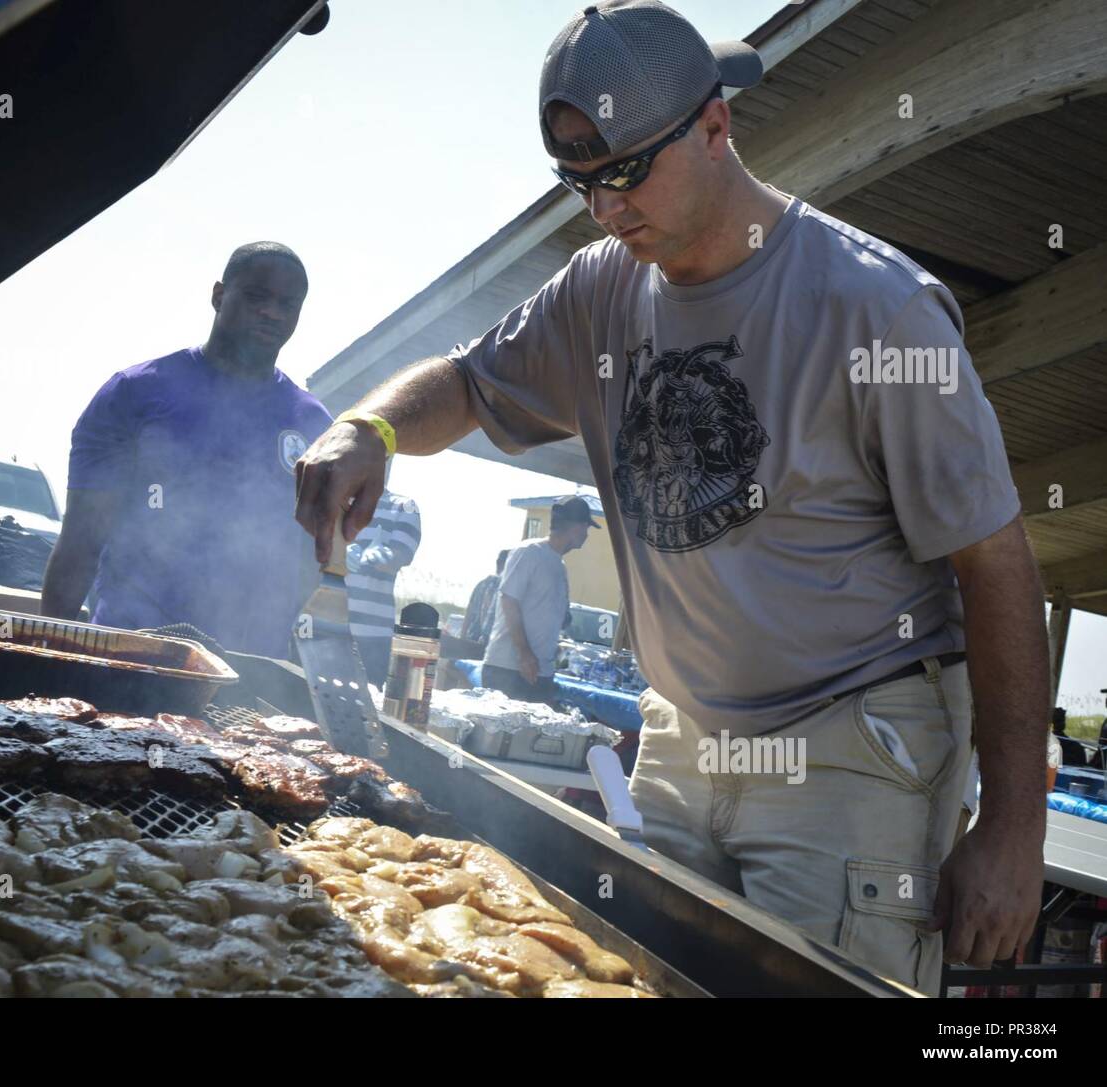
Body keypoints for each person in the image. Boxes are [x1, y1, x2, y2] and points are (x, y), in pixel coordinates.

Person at [293, 2, 1049, 993]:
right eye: (578, 180)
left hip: (847, 752)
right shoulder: (599, 288)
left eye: (624, 172)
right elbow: (470, 382)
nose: (604, 209)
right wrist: (373, 427)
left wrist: (1010, 831)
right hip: (681, 737)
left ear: (712, 126)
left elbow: (995, 566)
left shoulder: (873, 308)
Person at [42, 242, 331, 657]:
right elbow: (80, 542)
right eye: (256, 297)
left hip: (246, 675)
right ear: (218, 295)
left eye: (288, 303)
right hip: (127, 652)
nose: (272, 312)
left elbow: (313, 565)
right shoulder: (137, 393)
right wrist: (51, 654)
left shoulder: (314, 425)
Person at [481, 497, 597, 705]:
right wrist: (525, 654)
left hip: (539, 672)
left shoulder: (559, 565)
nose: (587, 535)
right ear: (576, 527)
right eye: (586, 528)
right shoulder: (529, 552)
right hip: (509, 669)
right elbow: (509, 601)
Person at [345, 485, 421, 686]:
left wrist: (374, 558)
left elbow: (400, 556)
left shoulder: (405, 507)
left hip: (371, 635)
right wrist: (335, 553)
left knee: (368, 703)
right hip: (323, 626)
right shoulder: (334, 499)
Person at [460, 549, 509, 645]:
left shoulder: (481, 584)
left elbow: (469, 613)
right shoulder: (498, 584)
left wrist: (462, 637)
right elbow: (485, 609)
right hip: (484, 640)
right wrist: (485, 636)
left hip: (471, 637)